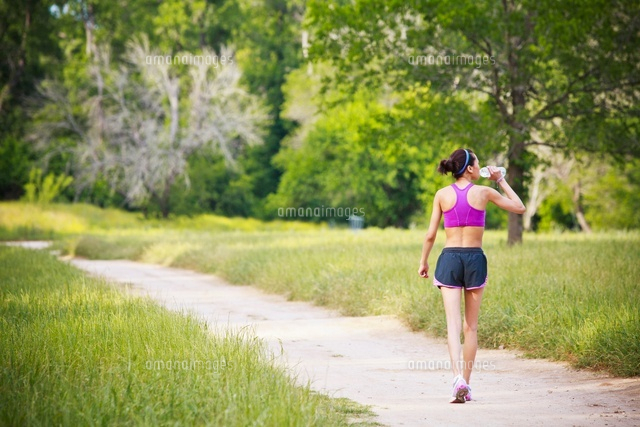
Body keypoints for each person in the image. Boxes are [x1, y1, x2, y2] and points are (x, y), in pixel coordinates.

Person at [418, 148, 525, 403]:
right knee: (471, 327)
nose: (480, 168)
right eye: (477, 164)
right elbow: (519, 207)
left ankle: (457, 380)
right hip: (475, 259)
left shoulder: (442, 195)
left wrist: (423, 261)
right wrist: (500, 179)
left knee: (453, 327)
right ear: (469, 168)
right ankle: (466, 383)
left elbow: (430, 235)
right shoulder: (485, 192)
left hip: (450, 259)